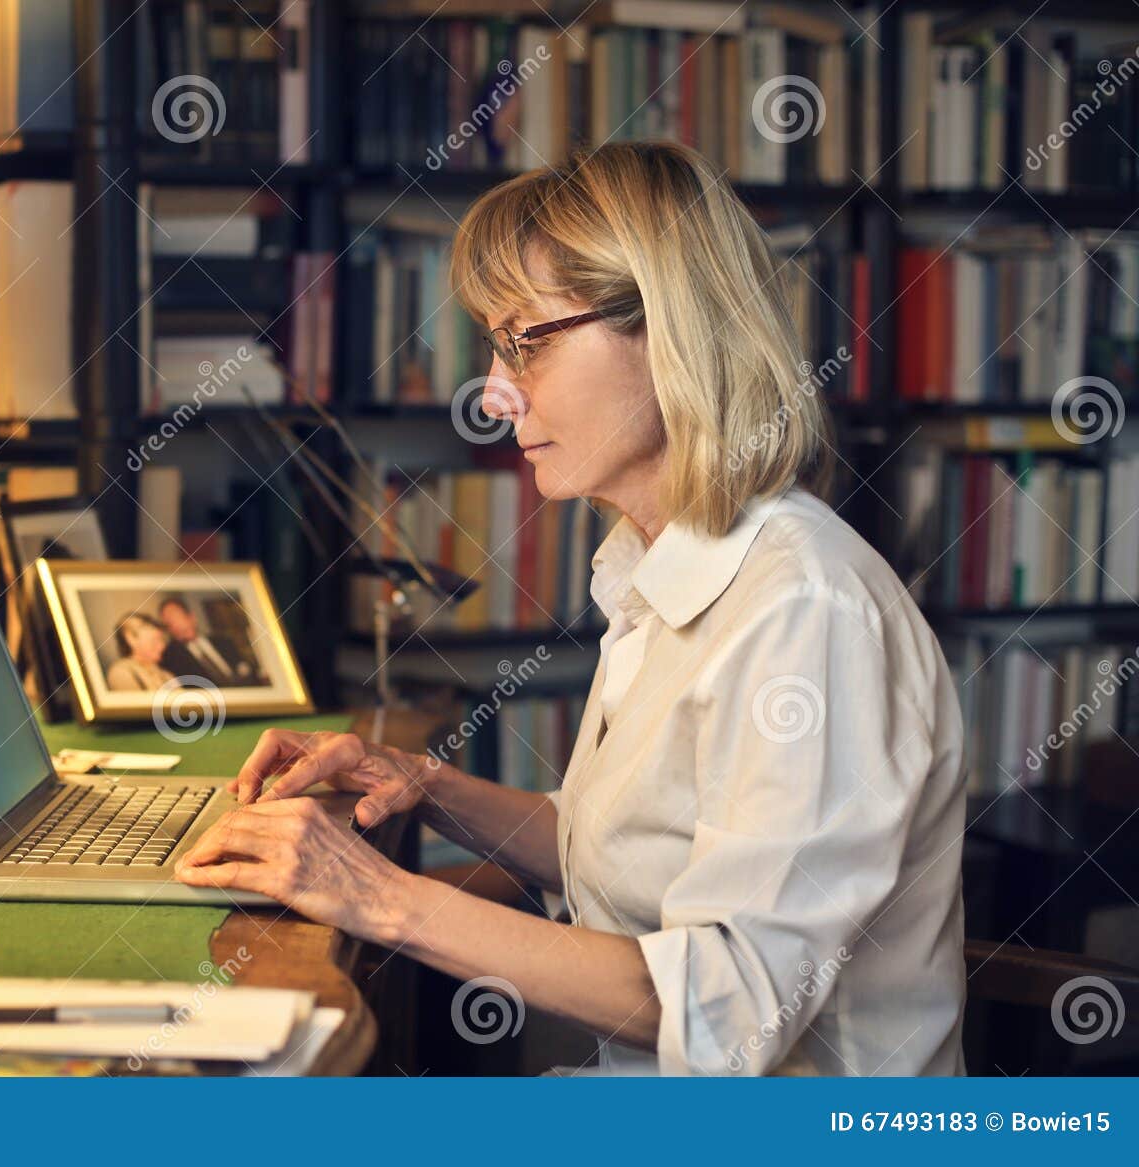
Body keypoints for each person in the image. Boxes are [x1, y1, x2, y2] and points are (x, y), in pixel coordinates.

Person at [177, 141, 967, 1076]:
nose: (497, 391)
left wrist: (378, 896)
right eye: (495, 347)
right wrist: (422, 786)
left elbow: (732, 1003)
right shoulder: (651, 560)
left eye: (529, 341)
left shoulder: (804, 608)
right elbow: (616, 850)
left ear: (673, 329)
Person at [157, 596, 263, 687]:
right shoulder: (172, 658)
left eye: (177, 618)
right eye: (169, 623)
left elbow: (248, 669)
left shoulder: (223, 641)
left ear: (192, 618)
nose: (176, 626)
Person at [104, 613, 176, 693]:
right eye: (155, 640)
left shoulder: (167, 675)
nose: (163, 646)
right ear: (131, 639)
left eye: (162, 640)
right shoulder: (120, 672)